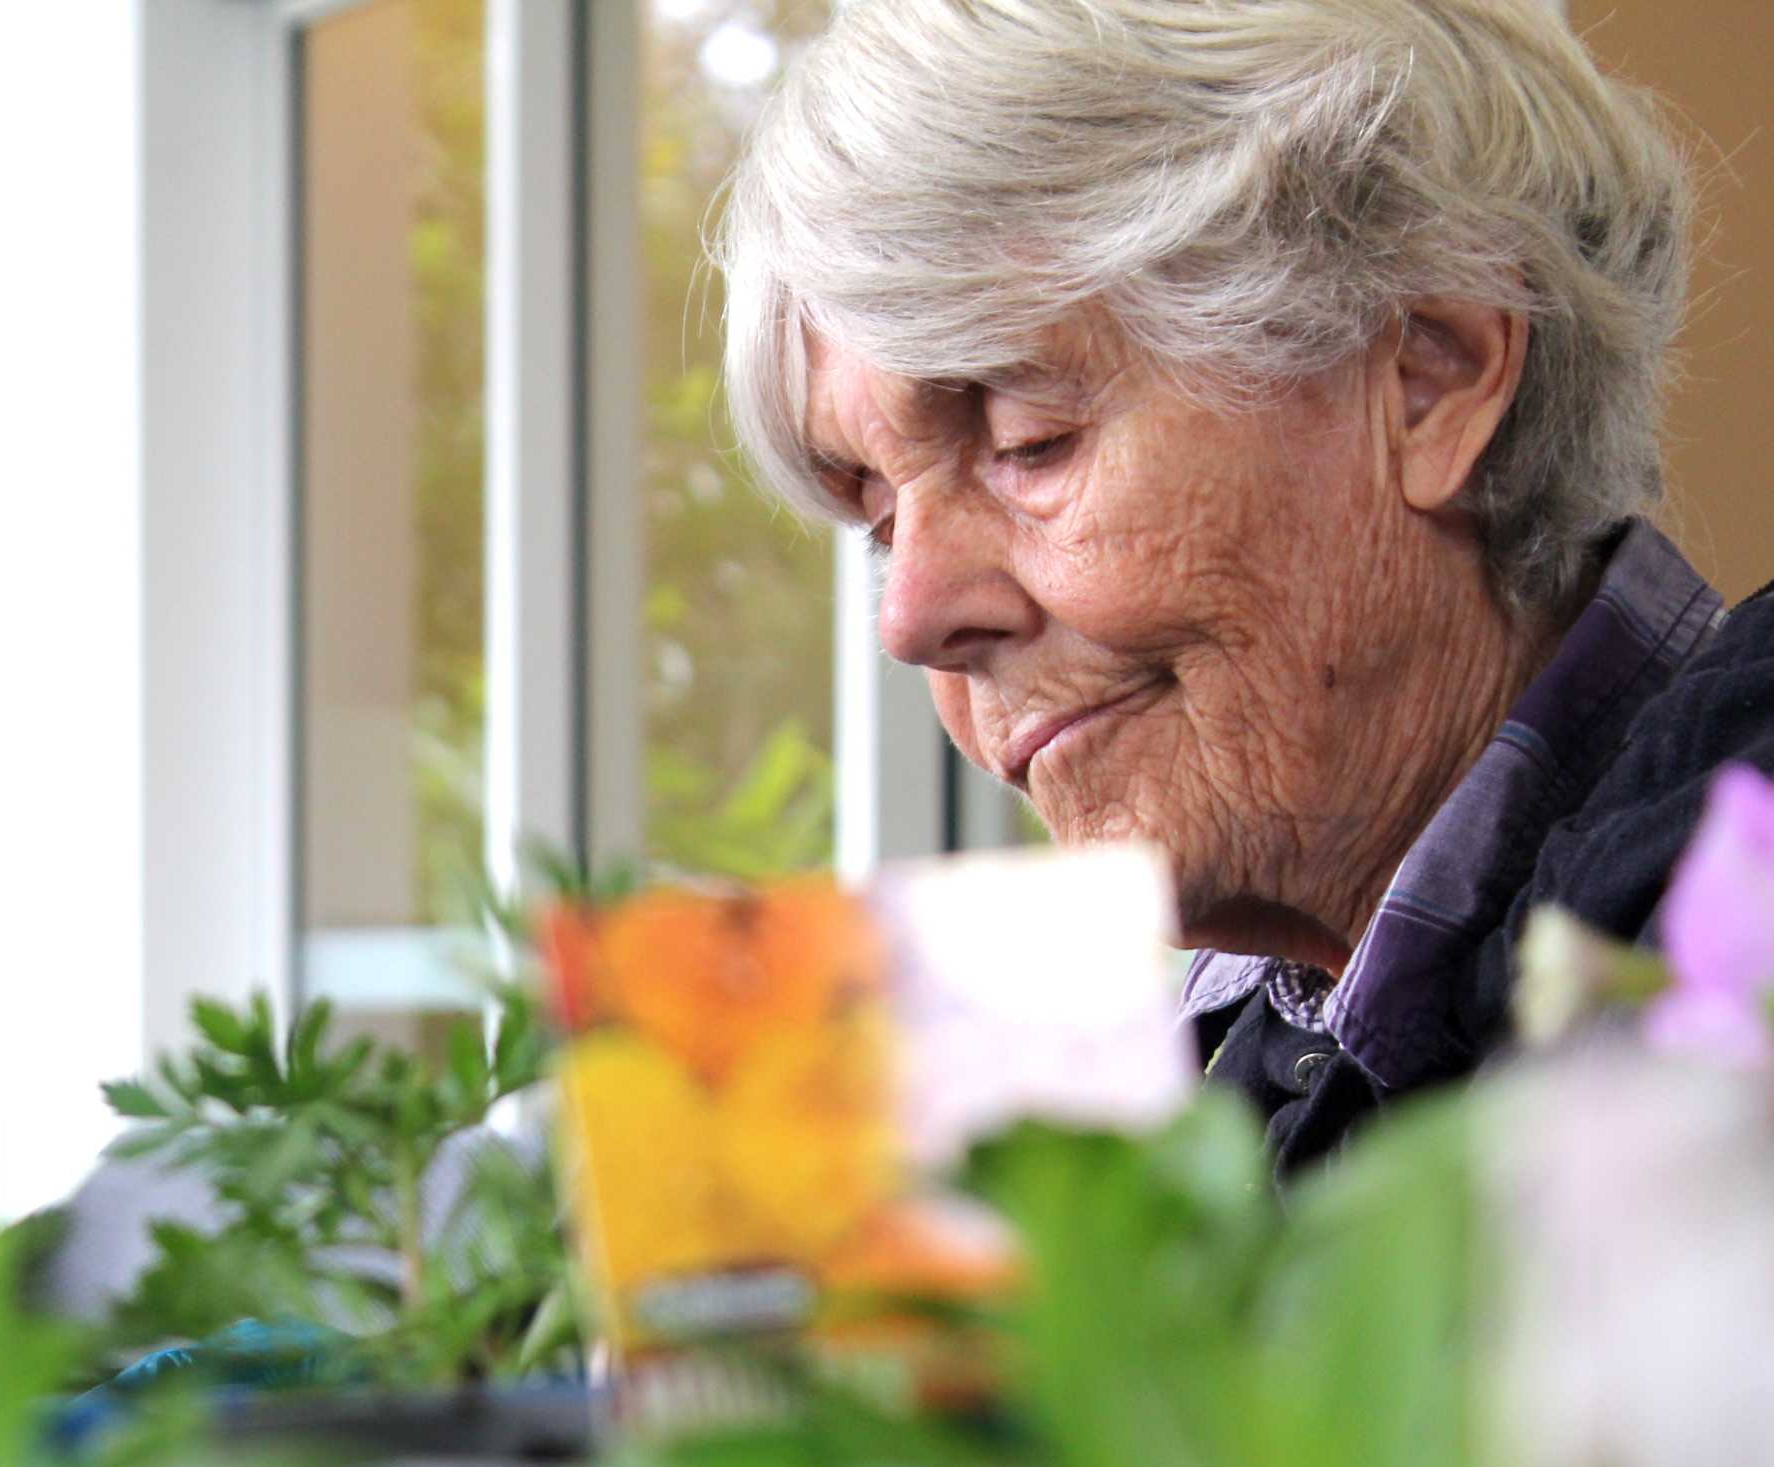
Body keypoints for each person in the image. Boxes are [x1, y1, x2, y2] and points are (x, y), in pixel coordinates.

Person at [719, 0, 1772, 1173]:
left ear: (1430, 379)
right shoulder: (1211, 1083)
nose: (912, 617)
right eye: (877, 520)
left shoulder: (1728, 965)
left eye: (1029, 441)